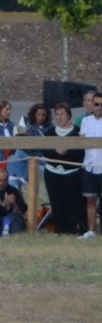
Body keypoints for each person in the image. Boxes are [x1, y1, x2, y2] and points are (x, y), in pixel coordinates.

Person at [46, 104, 84, 235]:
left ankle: (71, 230)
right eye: (57, 114)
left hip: (71, 173)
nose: (59, 116)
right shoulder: (49, 132)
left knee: (72, 202)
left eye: (62, 113)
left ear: (68, 115)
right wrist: (56, 151)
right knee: (57, 202)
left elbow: (80, 154)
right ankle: (59, 230)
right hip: (53, 172)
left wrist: (66, 151)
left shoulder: (77, 131)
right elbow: (44, 151)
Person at [81, 92, 102, 239]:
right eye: (97, 104)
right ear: (91, 105)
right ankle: (91, 230)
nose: (99, 107)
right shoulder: (85, 121)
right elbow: (82, 141)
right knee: (90, 199)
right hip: (89, 165)